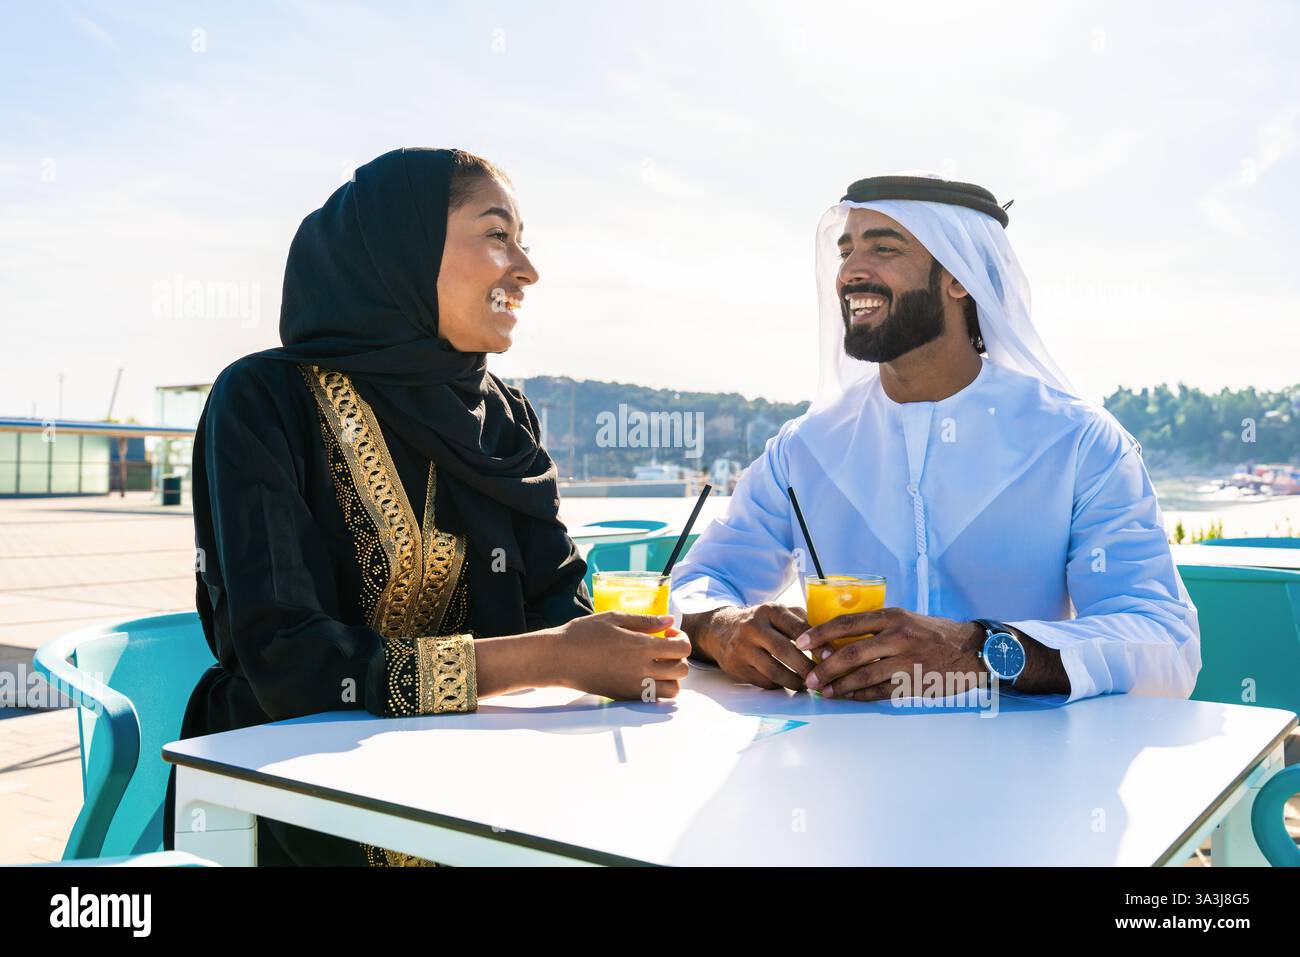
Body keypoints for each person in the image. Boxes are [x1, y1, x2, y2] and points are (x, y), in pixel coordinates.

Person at [163, 147, 691, 866]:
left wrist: (703, 632)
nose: (527, 270)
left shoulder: (501, 418)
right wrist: (553, 658)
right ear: (400, 251)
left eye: (525, 241)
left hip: (476, 782)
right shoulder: (265, 401)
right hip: (293, 794)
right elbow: (289, 660)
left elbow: (560, 606)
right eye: (497, 234)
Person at [671, 173, 1200, 704]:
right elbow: (699, 582)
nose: (851, 271)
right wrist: (721, 626)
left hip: (1027, 769)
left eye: (884, 248)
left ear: (959, 277)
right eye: (846, 251)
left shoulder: (1079, 442)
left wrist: (983, 650)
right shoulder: (802, 448)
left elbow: (1164, 641)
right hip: (837, 767)